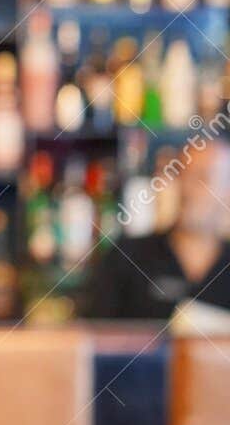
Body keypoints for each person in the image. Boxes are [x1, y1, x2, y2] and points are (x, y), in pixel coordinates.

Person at [83, 136, 230, 320]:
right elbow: (96, 337)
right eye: (182, 174)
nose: (188, 187)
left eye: (202, 177)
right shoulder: (126, 256)